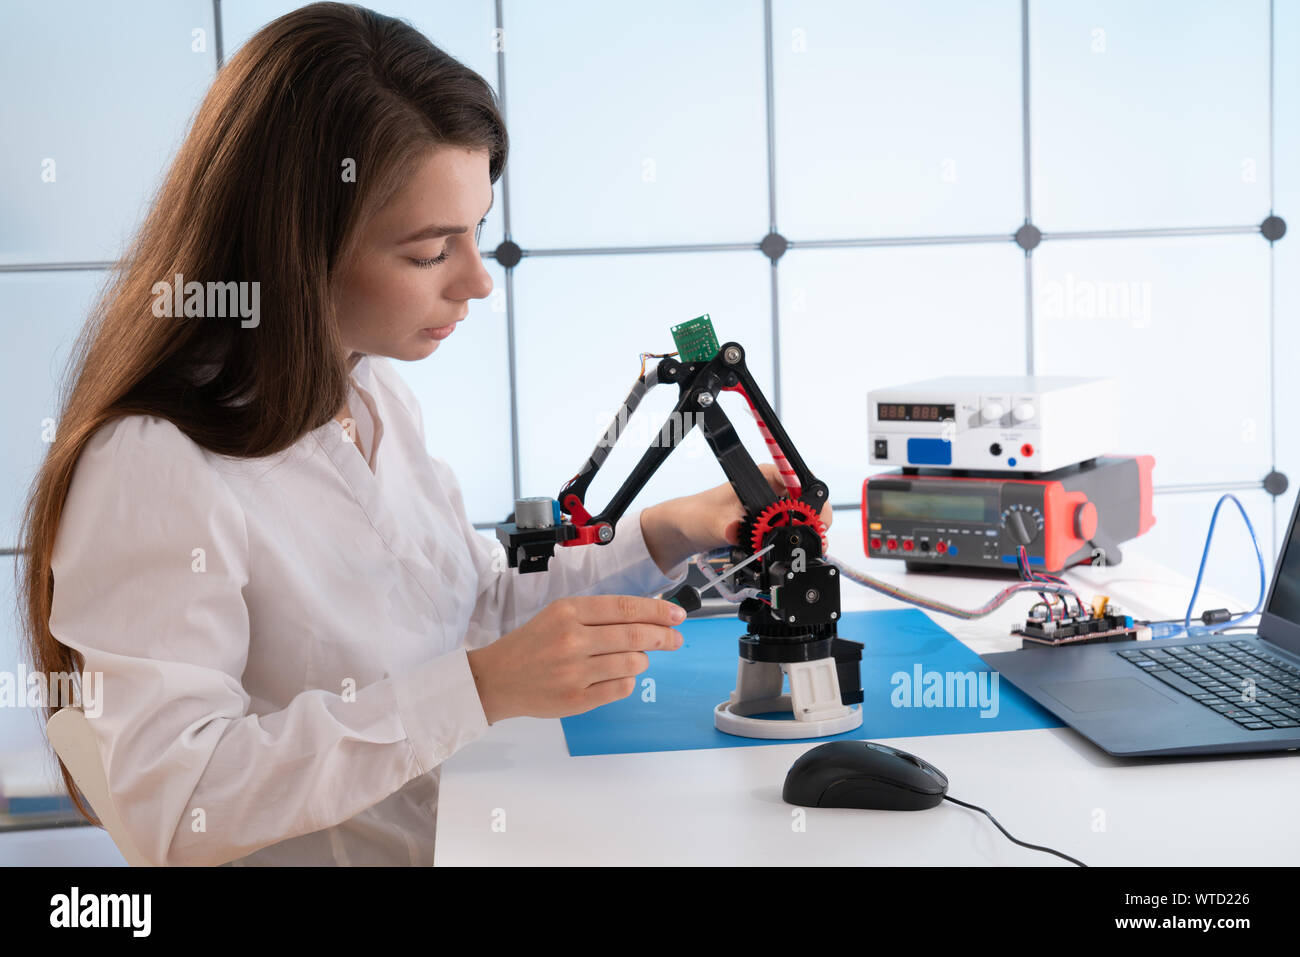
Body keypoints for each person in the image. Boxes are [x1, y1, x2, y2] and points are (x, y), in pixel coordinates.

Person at [16, 2, 828, 866]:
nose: (478, 281)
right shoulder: (155, 463)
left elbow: (468, 607)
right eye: (430, 251)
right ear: (295, 249)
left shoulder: (370, 395)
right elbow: (174, 807)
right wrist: (474, 690)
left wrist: (665, 530)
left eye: (476, 231)